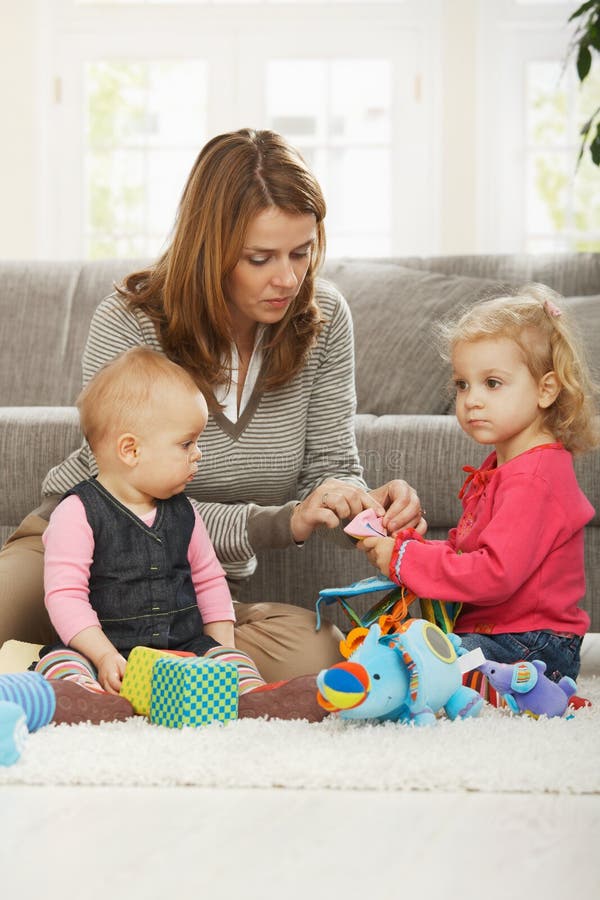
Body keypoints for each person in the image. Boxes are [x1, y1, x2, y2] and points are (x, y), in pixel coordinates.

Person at [0, 127, 424, 681]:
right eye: (259, 257)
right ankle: (87, 654)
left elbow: (329, 468)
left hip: (186, 584)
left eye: (302, 252)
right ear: (210, 249)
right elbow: (135, 493)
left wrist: (359, 505)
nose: (288, 278)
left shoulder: (325, 321)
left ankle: (88, 665)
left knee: (321, 655)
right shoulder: (130, 320)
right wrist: (280, 522)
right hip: (80, 554)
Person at [34, 347, 327, 721]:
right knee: (61, 664)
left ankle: (252, 700)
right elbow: (66, 595)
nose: (198, 454)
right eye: (186, 444)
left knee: (233, 660)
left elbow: (209, 581)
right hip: (104, 649)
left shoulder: (184, 512)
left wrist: (223, 653)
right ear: (130, 450)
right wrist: (104, 654)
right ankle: (92, 703)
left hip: (182, 649)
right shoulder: (76, 512)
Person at [357, 286, 598, 682]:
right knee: (401, 648)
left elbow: (492, 575)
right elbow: (468, 552)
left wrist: (405, 561)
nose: (471, 400)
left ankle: (506, 686)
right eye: (462, 384)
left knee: (411, 663)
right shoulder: (506, 468)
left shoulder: (532, 480)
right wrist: (407, 547)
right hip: (502, 635)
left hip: (530, 644)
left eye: (492, 383)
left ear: (546, 389)